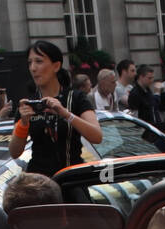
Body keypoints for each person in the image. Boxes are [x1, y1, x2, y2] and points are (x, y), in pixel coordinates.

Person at [10, 40, 100, 178]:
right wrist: (23, 123)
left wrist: (65, 114)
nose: (33, 68)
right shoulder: (29, 104)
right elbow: (14, 152)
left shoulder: (75, 98)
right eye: (30, 63)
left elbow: (97, 136)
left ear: (56, 66)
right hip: (40, 182)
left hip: (71, 179)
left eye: (39, 62)